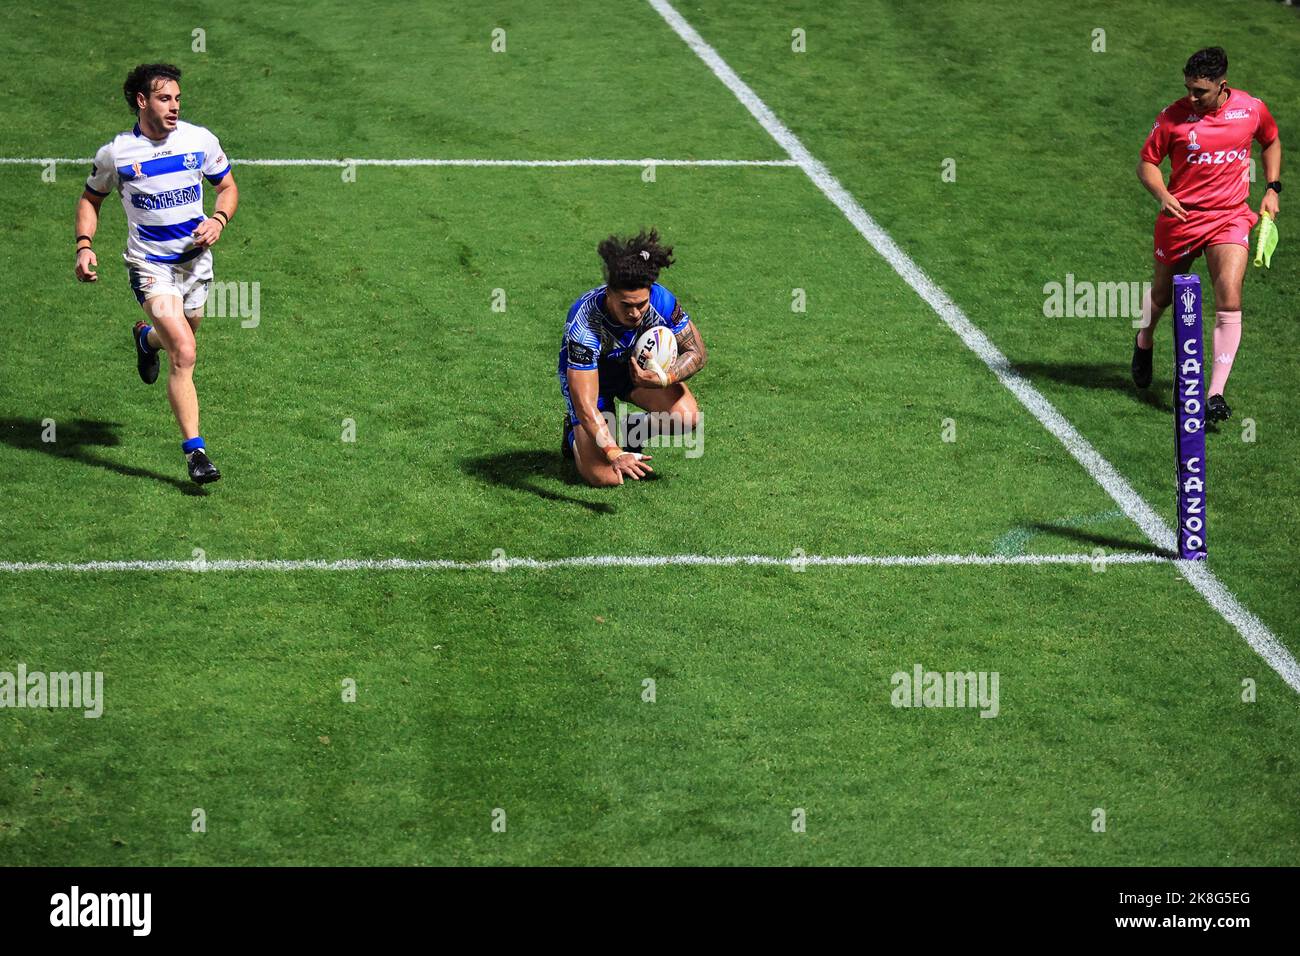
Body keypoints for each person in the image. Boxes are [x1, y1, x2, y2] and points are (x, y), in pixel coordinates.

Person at [74, 63, 239, 483]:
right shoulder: (117, 154)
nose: (174, 107)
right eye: (165, 98)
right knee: (184, 351)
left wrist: (218, 220)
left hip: (195, 262)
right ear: (142, 101)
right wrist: (84, 246)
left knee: (183, 333)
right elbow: (92, 199)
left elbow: (228, 187)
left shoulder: (198, 140)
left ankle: (146, 340)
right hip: (150, 266)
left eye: (178, 99)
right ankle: (196, 453)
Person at [1132, 46, 1281, 423]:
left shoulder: (1250, 109)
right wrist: (1162, 194)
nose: (1192, 98)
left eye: (1200, 91)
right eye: (1188, 89)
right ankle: (1144, 339)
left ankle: (1214, 392)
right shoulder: (1172, 118)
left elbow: (1271, 140)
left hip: (1230, 217)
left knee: (1229, 296)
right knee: (1163, 294)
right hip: (1181, 218)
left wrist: (1272, 188)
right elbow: (1147, 162)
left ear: (1222, 85)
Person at [558, 229, 708, 487]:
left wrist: (663, 378)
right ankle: (574, 437)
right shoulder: (585, 324)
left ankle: (630, 429)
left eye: (641, 304)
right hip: (594, 382)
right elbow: (585, 403)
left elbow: (697, 353)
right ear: (609, 294)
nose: (636, 313)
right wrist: (615, 453)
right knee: (605, 477)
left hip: (632, 372)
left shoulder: (661, 301)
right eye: (626, 305)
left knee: (688, 417)